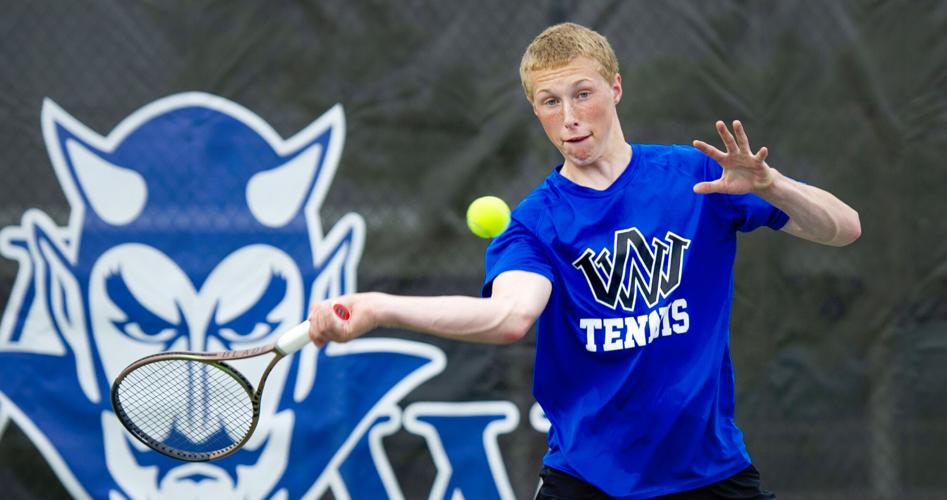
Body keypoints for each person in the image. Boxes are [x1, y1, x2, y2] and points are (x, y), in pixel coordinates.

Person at [307, 22, 860, 500]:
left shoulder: (698, 177)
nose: (570, 117)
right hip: (589, 480)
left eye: (583, 94)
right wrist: (379, 307)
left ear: (615, 88)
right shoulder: (534, 223)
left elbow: (844, 230)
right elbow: (508, 317)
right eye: (551, 102)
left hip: (708, 472)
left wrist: (773, 185)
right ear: (535, 110)